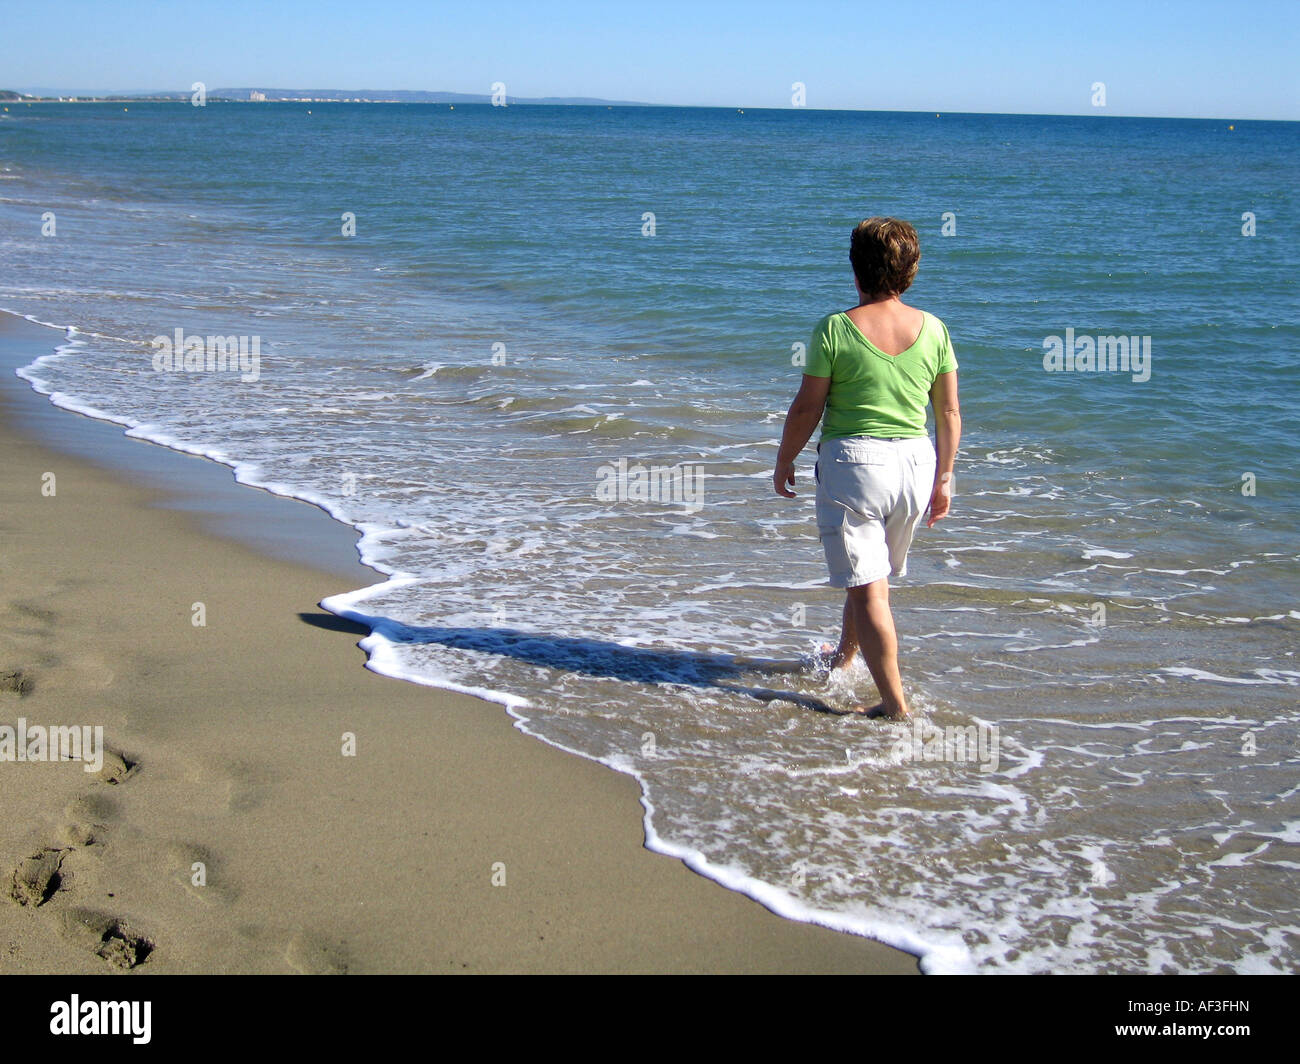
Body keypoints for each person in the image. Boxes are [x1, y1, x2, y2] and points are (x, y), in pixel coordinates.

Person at [773, 217, 960, 720]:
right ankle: (845, 657)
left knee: (869, 584)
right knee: (869, 575)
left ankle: (894, 706)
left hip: (856, 464)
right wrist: (944, 476)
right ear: (911, 272)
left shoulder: (836, 328)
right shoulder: (934, 329)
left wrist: (785, 458)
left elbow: (807, 408)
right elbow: (947, 412)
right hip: (915, 465)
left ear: (855, 270)